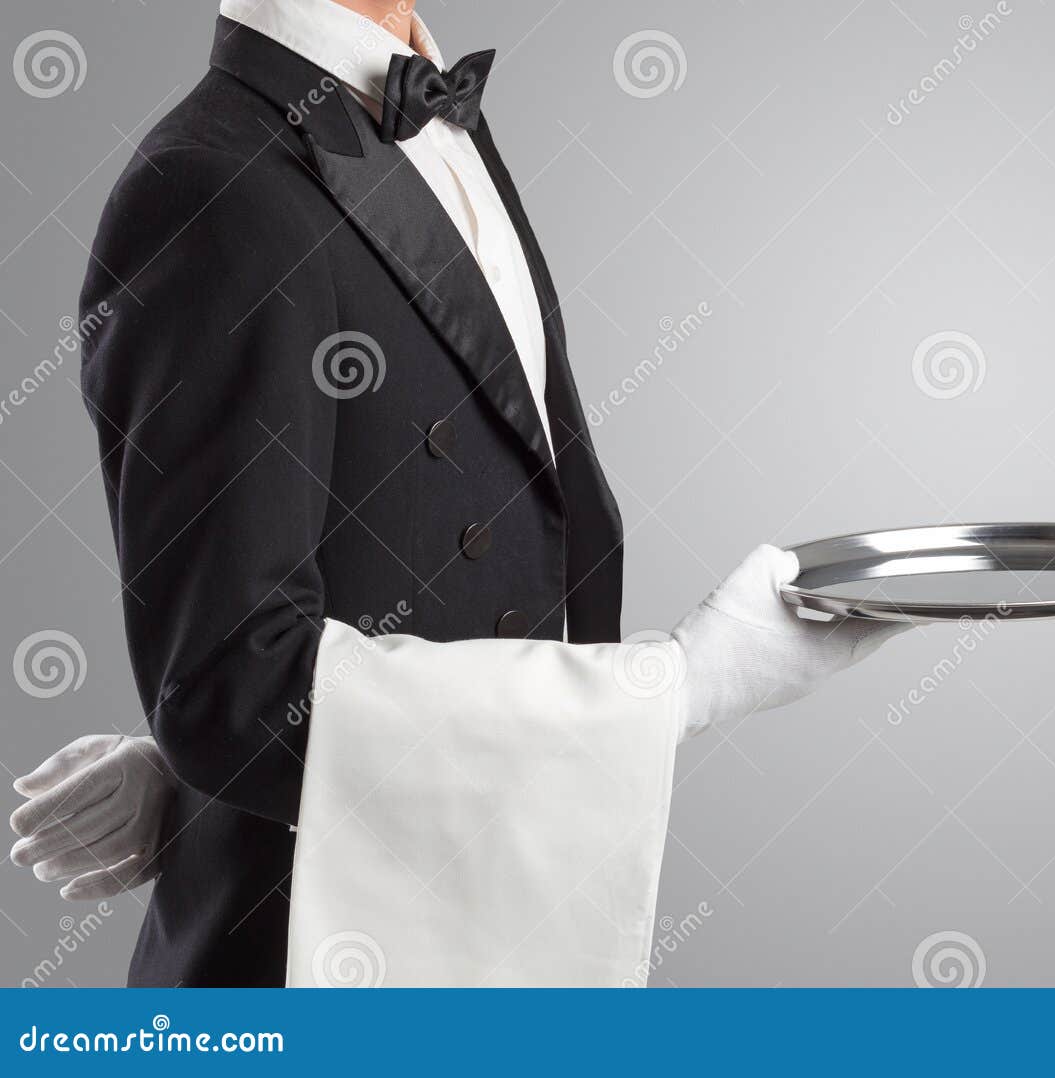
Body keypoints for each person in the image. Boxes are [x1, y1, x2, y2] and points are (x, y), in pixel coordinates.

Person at [9, 0, 903, 987]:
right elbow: (236, 691)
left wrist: (203, 770)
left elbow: (410, 545)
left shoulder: (434, 121)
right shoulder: (207, 186)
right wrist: (683, 686)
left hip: (485, 921)